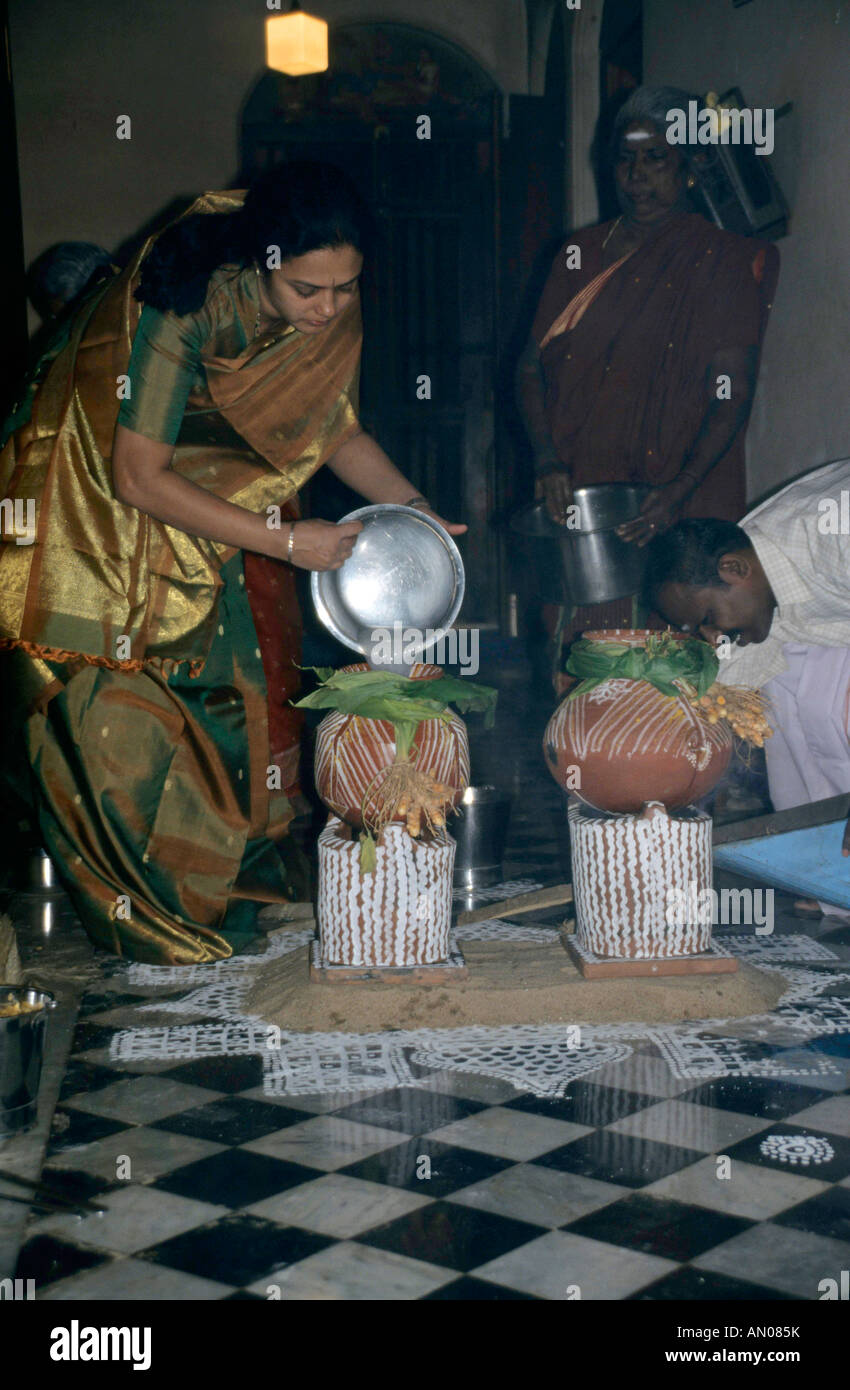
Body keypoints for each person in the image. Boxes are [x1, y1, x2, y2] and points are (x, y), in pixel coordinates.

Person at [0, 161, 463, 965]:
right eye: (308, 292)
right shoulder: (183, 306)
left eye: (345, 290)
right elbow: (137, 475)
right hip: (92, 501)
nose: (327, 309)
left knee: (225, 692)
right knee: (121, 706)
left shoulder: (324, 306)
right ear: (262, 261)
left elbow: (331, 430)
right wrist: (288, 542)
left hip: (196, 505)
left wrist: (416, 512)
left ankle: (219, 894)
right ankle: (153, 910)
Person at [517, 84, 779, 647]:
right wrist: (547, 461)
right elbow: (529, 368)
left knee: (678, 654)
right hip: (585, 490)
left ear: (688, 165)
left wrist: (681, 486)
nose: (637, 175)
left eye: (655, 157)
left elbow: (731, 389)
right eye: (625, 159)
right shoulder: (577, 255)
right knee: (587, 656)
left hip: (684, 492)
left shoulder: (721, 259)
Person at [644, 456, 850, 909]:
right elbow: (723, 686)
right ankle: (830, 875)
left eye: (708, 619)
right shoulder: (747, 578)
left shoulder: (834, 533)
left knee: (836, 713)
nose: (712, 636)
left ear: (736, 572)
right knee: (786, 709)